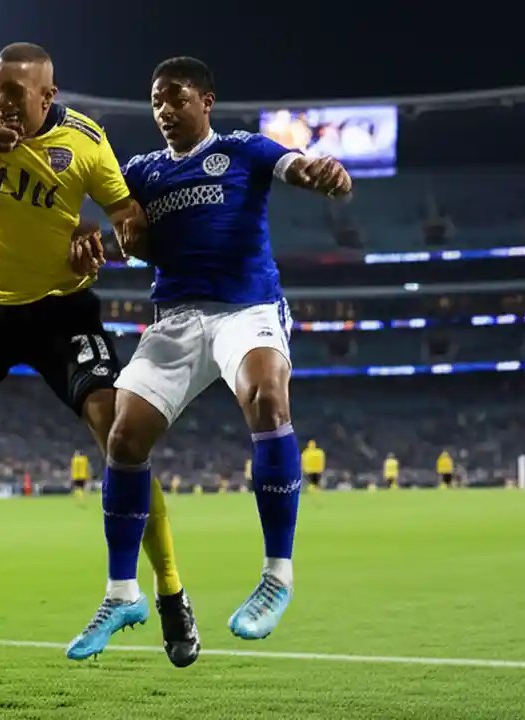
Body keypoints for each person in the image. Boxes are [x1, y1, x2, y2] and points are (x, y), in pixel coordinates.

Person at [0, 42, 198, 668]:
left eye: (15, 94)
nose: (1, 101)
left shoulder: (85, 142)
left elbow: (127, 218)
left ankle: (170, 594)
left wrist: (106, 243)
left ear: (47, 96)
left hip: (62, 312)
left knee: (122, 443)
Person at [75, 56, 352, 653]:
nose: (165, 111)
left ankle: (277, 577)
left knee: (267, 398)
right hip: (175, 318)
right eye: (156, 101)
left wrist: (320, 171)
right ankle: (123, 591)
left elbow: (294, 165)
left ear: (207, 101)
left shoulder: (244, 149)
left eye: (177, 98)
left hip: (246, 308)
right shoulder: (142, 171)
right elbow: (108, 228)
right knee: (123, 439)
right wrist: (90, 241)